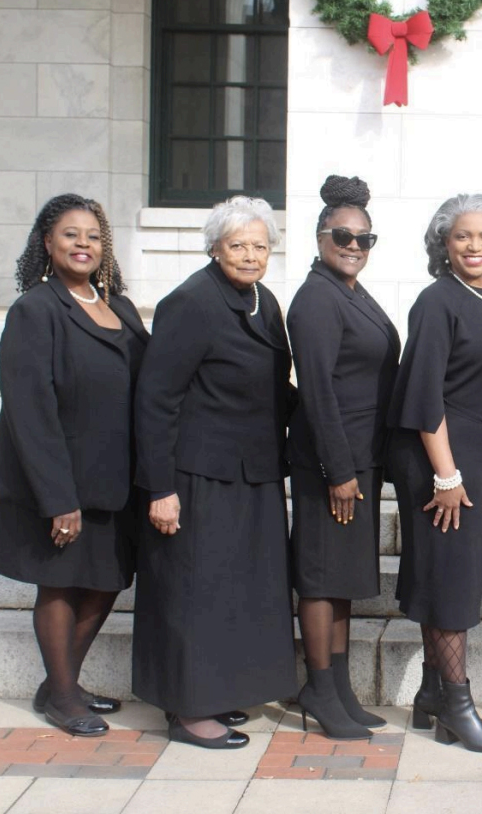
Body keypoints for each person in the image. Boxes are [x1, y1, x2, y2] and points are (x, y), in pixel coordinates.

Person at [133, 196, 297, 750]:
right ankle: (186, 710)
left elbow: (277, 388)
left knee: (237, 591)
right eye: (237, 245)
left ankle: (219, 690)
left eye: (260, 246)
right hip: (196, 474)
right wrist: (160, 488)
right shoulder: (191, 303)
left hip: (253, 472)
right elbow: (156, 399)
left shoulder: (263, 301)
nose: (250, 256)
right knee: (194, 592)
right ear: (214, 248)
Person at [0, 194, 148, 738]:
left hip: (113, 480)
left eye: (93, 236)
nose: (83, 244)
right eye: (71, 235)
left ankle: (60, 684)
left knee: (105, 581)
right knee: (58, 585)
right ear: (47, 244)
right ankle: (61, 694)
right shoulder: (35, 310)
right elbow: (30, 411)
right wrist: (58, 499)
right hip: (55, 479)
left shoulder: (119, 308)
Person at [386, 194, 482, 754]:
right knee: (450, 578)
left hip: (477, 453)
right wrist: (445, 474)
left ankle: (429, 694)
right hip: (443, 456)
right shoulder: (437, 300)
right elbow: (424, 392)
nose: (476, 246)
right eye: (463, 236)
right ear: (444, 243)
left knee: (454, 573)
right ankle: (457, 702)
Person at [286, 175, 400, 739]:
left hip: (360, 461)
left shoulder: (350, 292)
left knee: (343, 578)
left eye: (364, 239)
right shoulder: (315, 299)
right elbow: (318, 393)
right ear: (319, 237)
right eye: (342, 236)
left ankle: (340, 688)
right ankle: (318, 686)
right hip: (332, 466)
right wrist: (339, 472)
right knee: (320, 578)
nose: (354, 246)